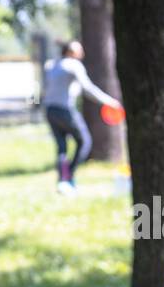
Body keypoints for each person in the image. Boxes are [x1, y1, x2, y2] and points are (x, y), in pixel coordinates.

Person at [40, 40, 122, 194]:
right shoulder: (74, 65)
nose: (82, 53)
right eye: (79, 50)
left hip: (49, 109)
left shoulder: (52, 65)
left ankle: (63, 181)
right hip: (64, 109)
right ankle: (69, 176)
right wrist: (110, 102)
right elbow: (88, 88)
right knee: (84, 141)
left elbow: (46, 89)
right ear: (71, 52)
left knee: (62, 147)